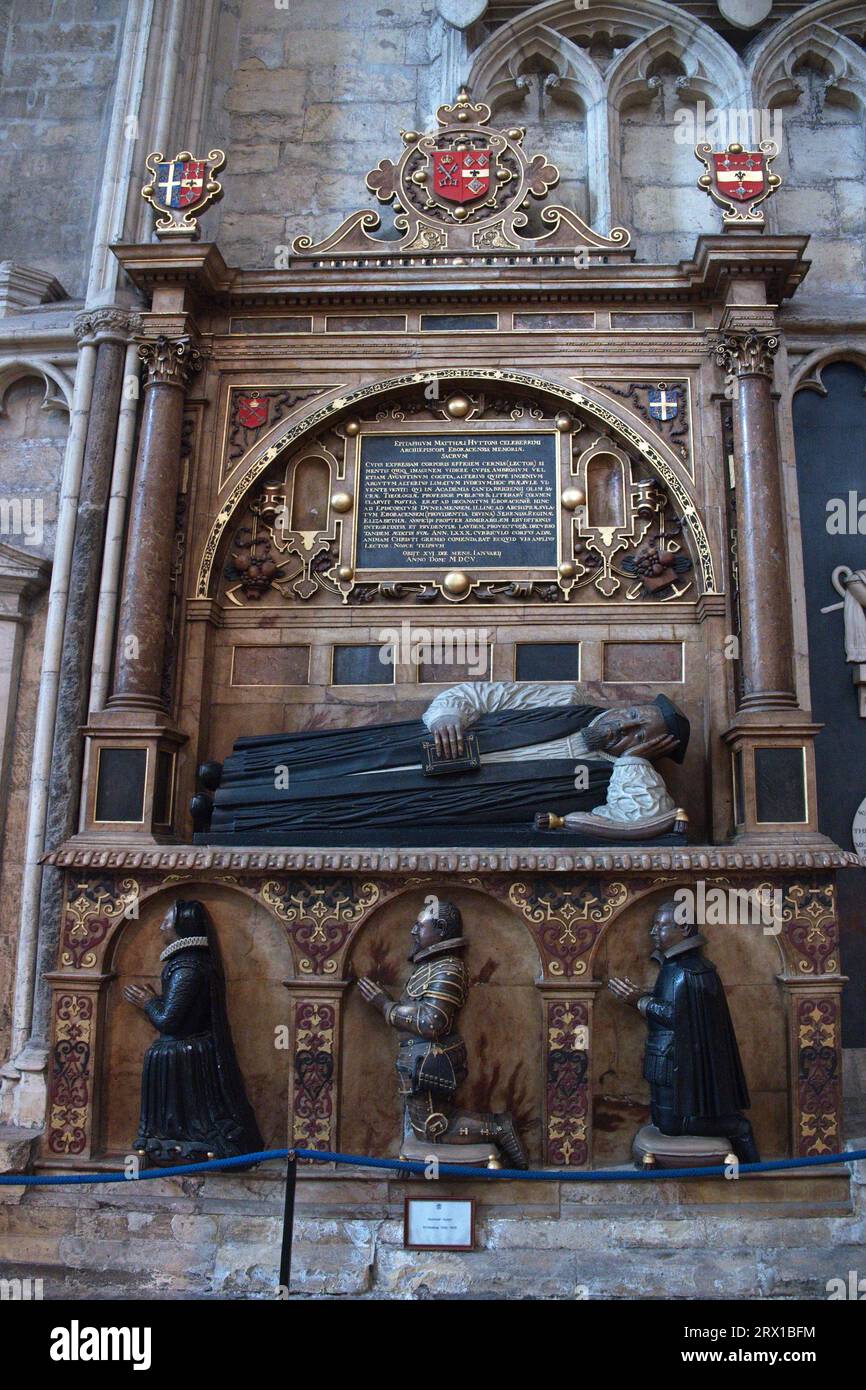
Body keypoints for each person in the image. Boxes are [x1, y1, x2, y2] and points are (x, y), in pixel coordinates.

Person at [206, 680, 690, 836]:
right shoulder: (566, 701)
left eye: (638, 731)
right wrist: (447, 718)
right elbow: (478, 693)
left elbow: (636, 822)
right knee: (330, 764)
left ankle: (230, 817)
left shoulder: (619, 778)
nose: (622, 725)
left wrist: (633, 762)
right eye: (629, 711)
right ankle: (233, 778)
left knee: (343, 805)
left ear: (654, 747)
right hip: (421, 748)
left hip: (448, 801)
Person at [357, 897, 528, 1167]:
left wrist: (385, 1005)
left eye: (420, 926)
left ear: (440, 930)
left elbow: (432, 1021)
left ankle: (498, 1127)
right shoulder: (431, 966)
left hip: (431, 1060)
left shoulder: (448, 968)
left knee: (431, 1128)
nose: (413, 931)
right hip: (417, 1058)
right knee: (422, 1123)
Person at [608, 898, 759, 1163]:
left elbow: (678, 1015)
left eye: (660, 926)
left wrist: (639, 1001)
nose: (653, 932)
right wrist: (641, 999)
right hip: (667, 1061)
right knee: (664, 1118)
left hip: (681, 1065)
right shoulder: (674, 968)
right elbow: (677, 1007)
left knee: (672, 1124)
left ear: (685, 928)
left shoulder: (693, 972)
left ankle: (740, 1135)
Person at [123, 900, 263, 1165]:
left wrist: (148, 1002)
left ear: (182, 927)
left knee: (195, 1126)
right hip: (182, 1053)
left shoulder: (187, 967)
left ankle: (189, 1149)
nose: (160, 927)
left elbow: (169, 1021)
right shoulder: (186, 963)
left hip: (185, 1054)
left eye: (166, 922)